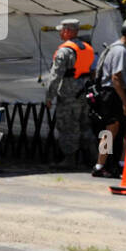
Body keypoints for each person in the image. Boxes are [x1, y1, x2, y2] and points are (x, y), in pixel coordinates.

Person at [92, 18, 126, 179]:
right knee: (114, 131)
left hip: (112, 94)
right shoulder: (121, 50)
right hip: (115, 94)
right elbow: (116, 78)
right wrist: (125, 103)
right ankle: (105, 165)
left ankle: (105, 164)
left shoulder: (118, 48)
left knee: (115, 131)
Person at [44, 19, 94, 168]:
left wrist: (49, 96)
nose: (60, 33)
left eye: (62, 30)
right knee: (85, 126)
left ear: (68, 31)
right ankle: (93, 158)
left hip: (68, 96)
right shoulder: (86, 48)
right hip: (84, 94)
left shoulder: (64, 51)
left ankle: (70, 159)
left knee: (67, 126)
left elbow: (55, 76)